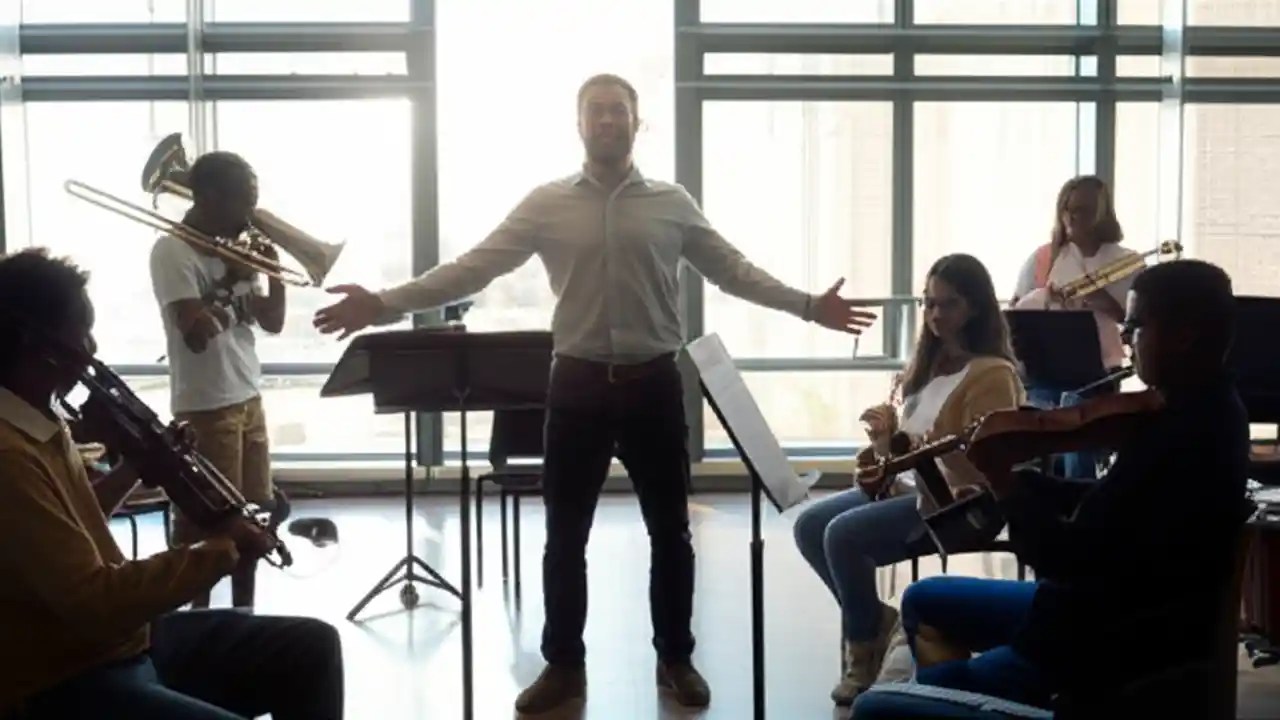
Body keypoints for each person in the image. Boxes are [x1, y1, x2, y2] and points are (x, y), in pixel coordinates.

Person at [312, 72, 877, 714]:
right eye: (596, 112)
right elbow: (472, 268)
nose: (608, 121)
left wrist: (808, 305)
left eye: (618, 111)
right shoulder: (546, 203)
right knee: (564, 536)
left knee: (671, 534)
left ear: (637, 123)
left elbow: (733, 271)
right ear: (579, 124)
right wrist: (383, 303)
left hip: (654, 383)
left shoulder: (671, 202)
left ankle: (675, 657)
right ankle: (563, 667)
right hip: (576, 385)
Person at [851, 259, 1249, 718]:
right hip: (1091, 610)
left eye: (1135, 325)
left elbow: (1059, 559)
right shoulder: (1200, 409)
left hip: (1088, 647)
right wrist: (1027, 483)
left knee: (873, 709)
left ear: (1184, 335)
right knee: (921, 599)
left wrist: (1004, 486)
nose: (1124, 338)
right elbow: (1109, 504)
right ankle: (960, 694)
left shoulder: (1185, 436)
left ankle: (975, 695)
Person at [0, 248, 344, 720]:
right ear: (35, 342)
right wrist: (222, 547)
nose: (92, 348)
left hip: (120, 641)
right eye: (81, 331)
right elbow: (95, 600)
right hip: (63, 673)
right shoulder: (9, 455)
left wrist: (136, 466)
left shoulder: (39, 417)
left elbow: (71, 522)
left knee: (311, 647)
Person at [791, 254, 1025, 708]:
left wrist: (915, 447)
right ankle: (879, 621)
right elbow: (900, 454)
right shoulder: (926, 363)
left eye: (949, 304)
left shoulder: (992, 373)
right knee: (809, 526)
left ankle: (862, 651)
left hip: (953, 503)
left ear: (976, 307)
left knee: (842, 535)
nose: (936, 315)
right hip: (910, 488)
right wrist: (884, 442)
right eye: (929, 303)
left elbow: (985, 466)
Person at [149, 150, 286, 609]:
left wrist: (274, 274)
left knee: (254, 517)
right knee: (206, 524)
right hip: (206, 404)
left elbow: (272, 322)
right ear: (208, 197)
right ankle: (196, 620)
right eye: (244, 201)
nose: (252, 213)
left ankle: (243, 612)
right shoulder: (172, 251)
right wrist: (231, 280)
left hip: (248, 394)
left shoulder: (234, 248)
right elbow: (196, 333)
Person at [1011, 174, 1137, 479]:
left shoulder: (1125, 260)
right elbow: (1017, 313)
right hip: (1043, 370)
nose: (1072, 217)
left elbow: (1134, 322)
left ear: (1102, 212)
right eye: (1067, 209)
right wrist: (1044, 299)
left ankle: (1078, 492)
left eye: (1082, 210)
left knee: (1075, 412)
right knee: (1034, 412)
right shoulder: (1043, 258)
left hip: (1098, 374)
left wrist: (1099, 297)